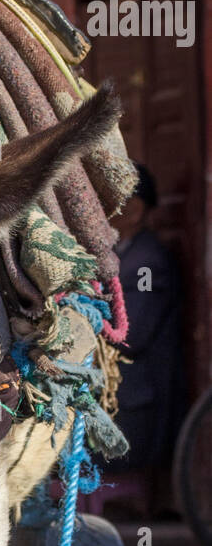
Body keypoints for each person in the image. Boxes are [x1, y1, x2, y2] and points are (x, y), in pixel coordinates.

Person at [114, 162, 185, 473]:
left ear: (134, 211)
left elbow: (132, 335)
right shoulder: (122, 255)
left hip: (134, 411)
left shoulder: (146, 265)